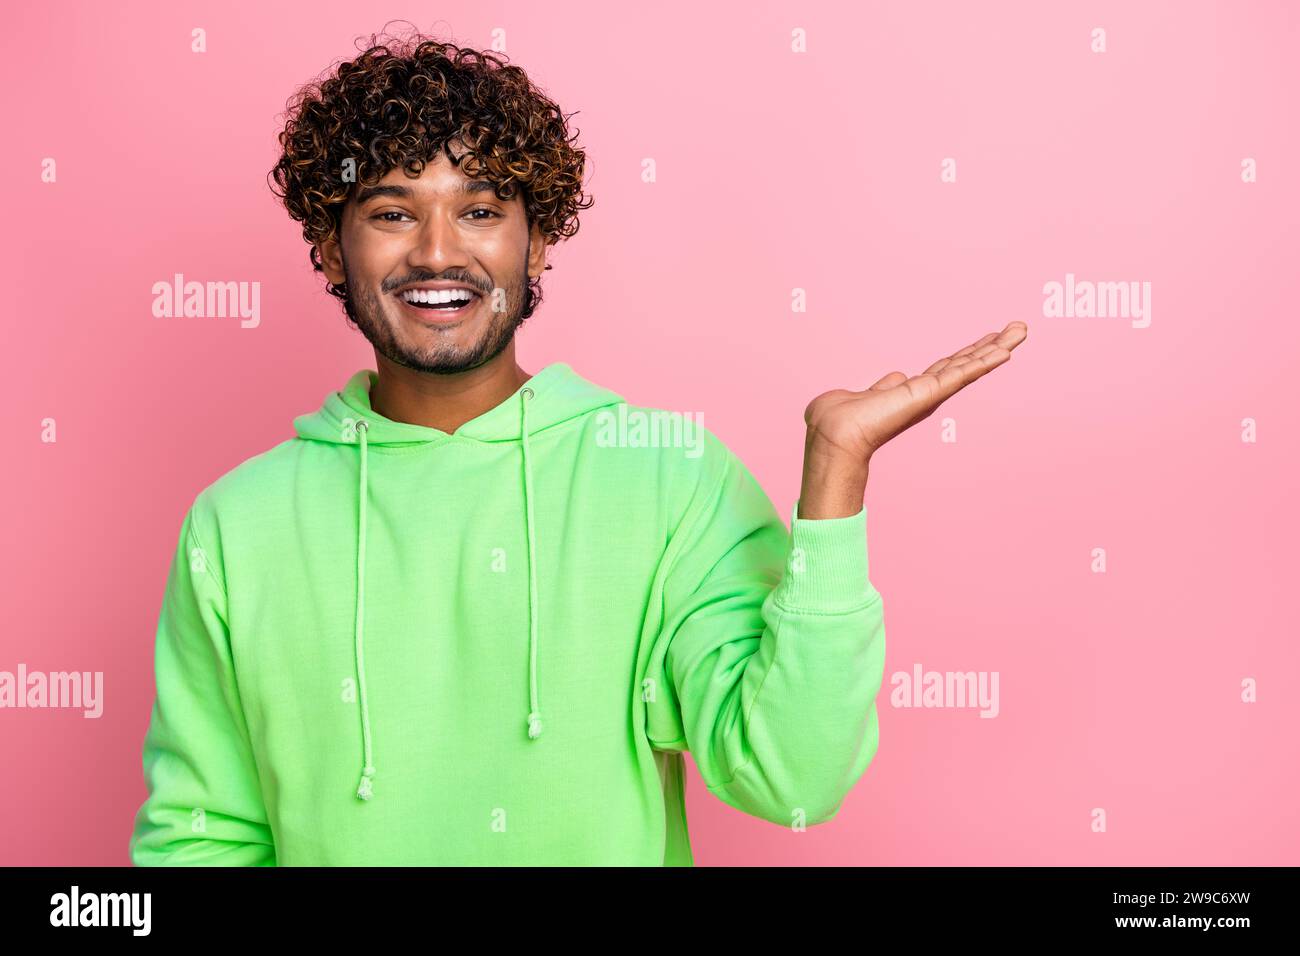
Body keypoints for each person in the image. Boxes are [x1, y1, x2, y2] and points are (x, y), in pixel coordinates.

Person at [128, 30, 1025, 866]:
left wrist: (835, 477)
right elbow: (200, 837)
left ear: (540, 240)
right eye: (392, 213)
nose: (439, 253)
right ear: (331, 247)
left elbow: (794, 776)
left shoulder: (669, 476)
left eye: (479, 209)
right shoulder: (234, 525)